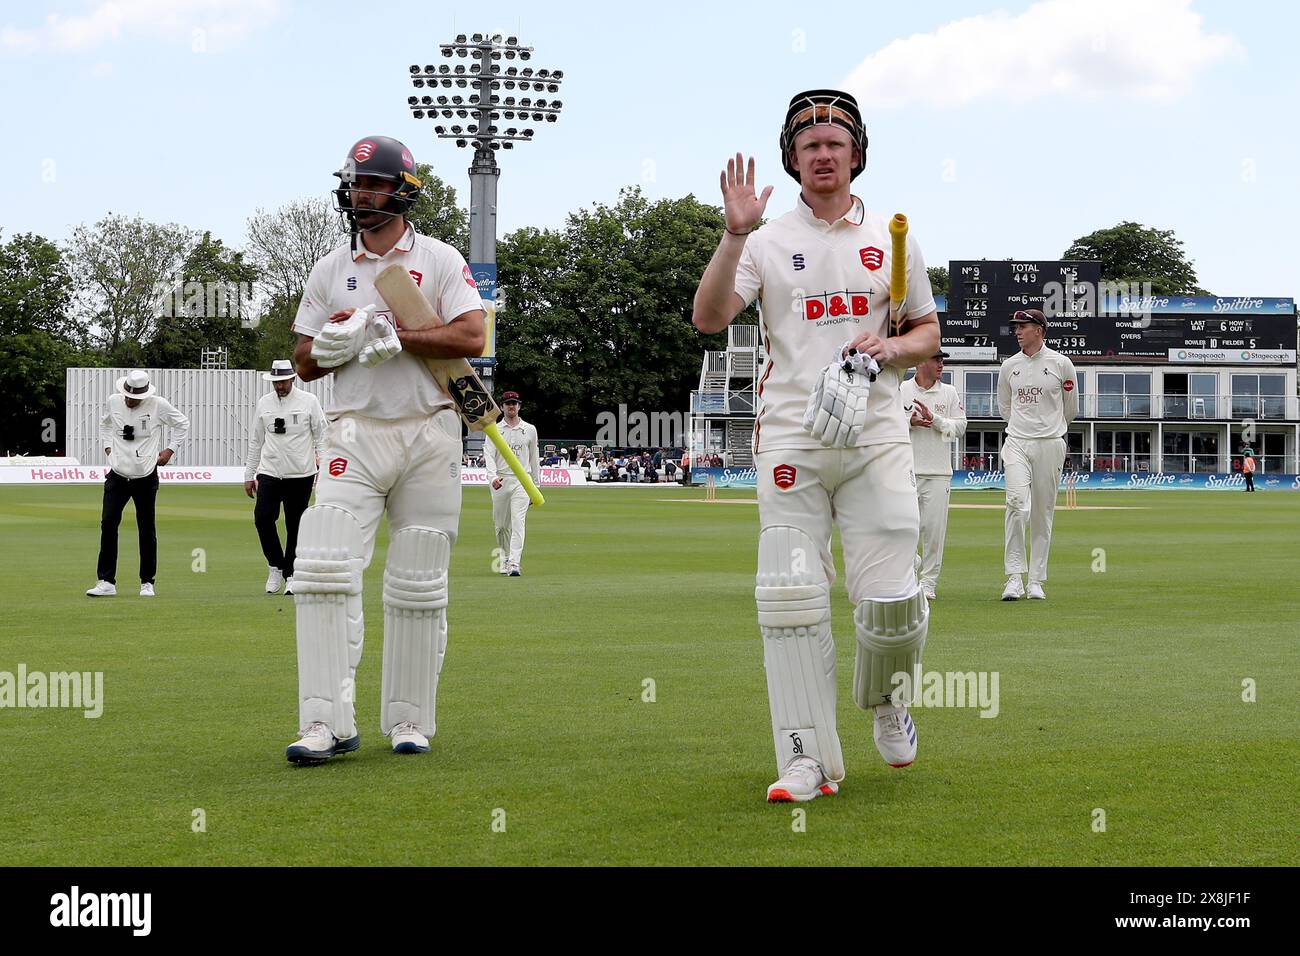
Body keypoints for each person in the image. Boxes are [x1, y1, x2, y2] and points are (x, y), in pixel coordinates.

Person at [692, 89, 940, 802]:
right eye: (809, 147)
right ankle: (804, 759)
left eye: (835, 144)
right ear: (793, 160)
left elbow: (926, 334)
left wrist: (889, 345)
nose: (823, 155)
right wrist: (734, 233)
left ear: (856, 154)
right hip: (794, 435)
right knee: (792, 596)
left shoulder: (894, 240)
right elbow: (708, 318)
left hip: (877, 434)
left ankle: (890, 702)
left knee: (892, 603)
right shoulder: (765, 242)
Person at [285, 134, 486, 764]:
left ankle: (409, 719)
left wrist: (399, 334)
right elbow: (302, 358)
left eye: (373, 184)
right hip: (352, 430)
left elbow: (472, 336)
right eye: (355, 184)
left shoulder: (442, 259)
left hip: (430, 429)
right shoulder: (328, 270)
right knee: (321, 567)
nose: (362, 194)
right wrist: (338, 345)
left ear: (402, 190)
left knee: (419, 579)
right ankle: (324, 722)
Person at [996, 308, 1078, 601]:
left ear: (1039, 330)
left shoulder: (1061, 363)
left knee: (1042, 512)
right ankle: (1014, 577)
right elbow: (1005, 406)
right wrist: (1022, 427)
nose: (1017, 331)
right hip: (1017, 441)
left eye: (1023, 326)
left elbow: (1070, 409)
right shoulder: (1010, 366)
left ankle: (1035, 580)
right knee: (1017, 504)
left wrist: (1051, 429)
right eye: (1016, 326)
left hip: (1050, 443)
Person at [86, 370, 190, 598]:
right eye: (126, 396)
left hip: (145, 475)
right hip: (117, 474)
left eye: (134, 398)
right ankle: (106, 581)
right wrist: (107, 448)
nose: (129, 400)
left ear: (144, 396)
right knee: (108, 523)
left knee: (146, 528)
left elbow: (182, 424)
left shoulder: (158, 405)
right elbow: (104, 425)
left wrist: (170, 450)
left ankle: (147, 582)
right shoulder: (114, 401)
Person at [243, 359, 327, 595]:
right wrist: (249, 474)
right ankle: (275, 565)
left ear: (292, 379)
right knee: (262, 518)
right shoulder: (264, 403)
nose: (279, 386)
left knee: (295, 525)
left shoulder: (309, 401)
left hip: (301, 473)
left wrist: (324, 470)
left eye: (283, 381)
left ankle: (291, 574)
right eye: (276, 382)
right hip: (269, 471)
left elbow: (322, 436)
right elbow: (256, 440)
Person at [900, 351, 966, 601]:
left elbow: (960, 427)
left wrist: (935, 419)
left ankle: (928, 583)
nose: (941, 364)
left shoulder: (948, 393)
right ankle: (911, 568)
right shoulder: (902, 390)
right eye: (936, 359)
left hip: (938, 472)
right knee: (902, 530)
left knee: (934, 532)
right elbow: (885, 421)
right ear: (920, 362)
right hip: (905, 471)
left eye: (942, 359)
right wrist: (910, 421)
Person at [486, 391, 540, 576]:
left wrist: (536, 487)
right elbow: (489, 455)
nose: (511, 406)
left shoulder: (530, 429)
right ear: (501, 407)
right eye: (508, 403)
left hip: (522, 481)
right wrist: (492, 477)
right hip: (500, 480)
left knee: (518, 522)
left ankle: (515, 563)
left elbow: (534, 458)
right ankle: (504, 559)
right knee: (501, 526)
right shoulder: (494, 429)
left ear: (519, 406)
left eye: (514, 403)